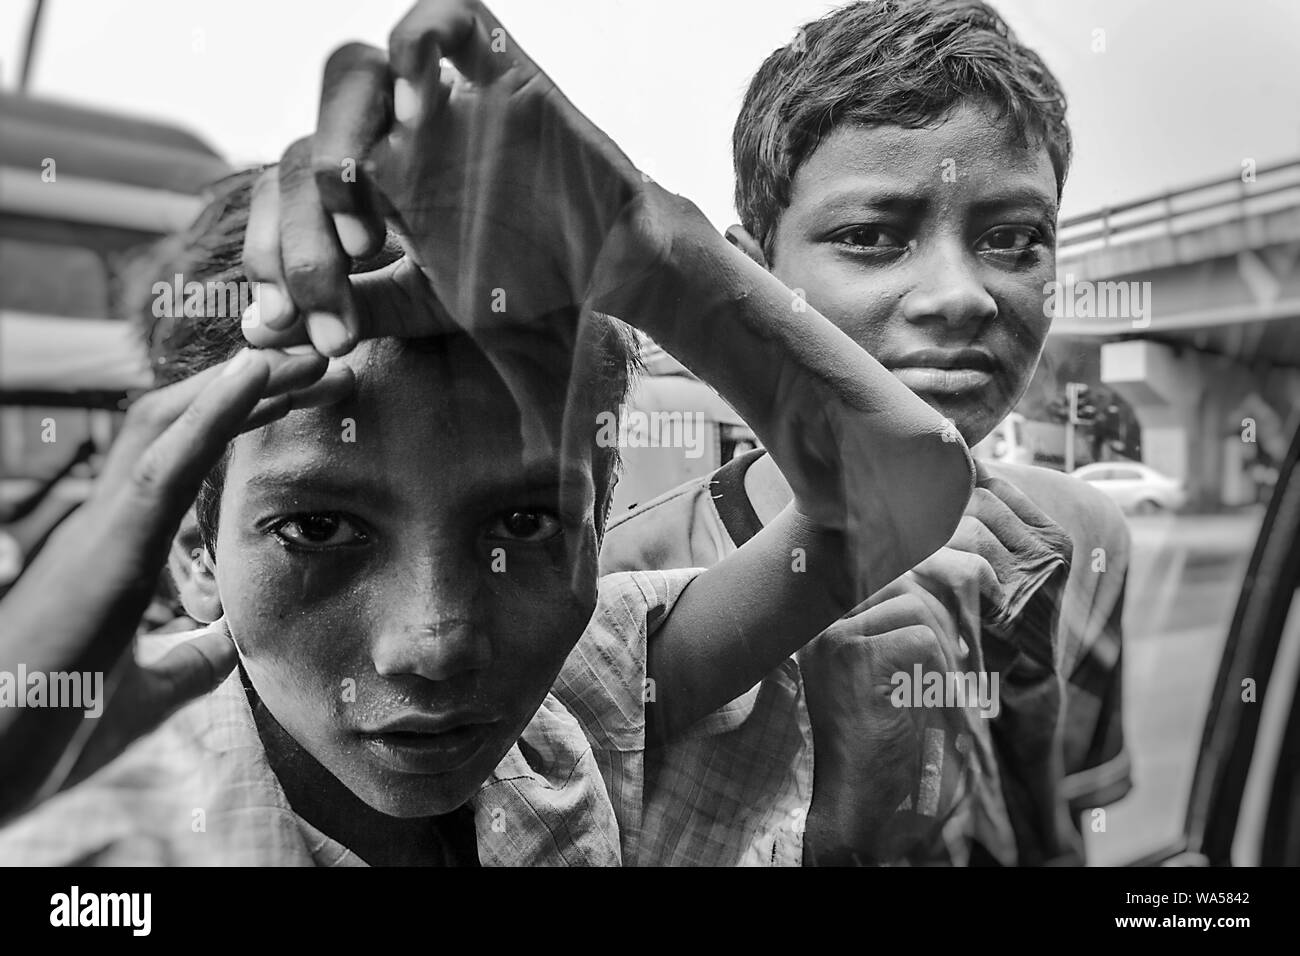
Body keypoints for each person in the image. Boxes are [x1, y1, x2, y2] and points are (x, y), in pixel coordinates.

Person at [0, 0, 974, 865]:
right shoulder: (96, 824)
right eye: (319, 528)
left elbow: (899, 489)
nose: (433, 642)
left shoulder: (587, 691)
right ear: (191, 552)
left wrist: (647, 244)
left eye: (523, 524)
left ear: (598, 522)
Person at [600, 0, 1132, 865]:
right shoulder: (618, 595)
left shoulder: (1078, 542)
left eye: (1013, 237)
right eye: (871, 237)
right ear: (756, 280)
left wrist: (1026, 727)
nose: (960, 296)